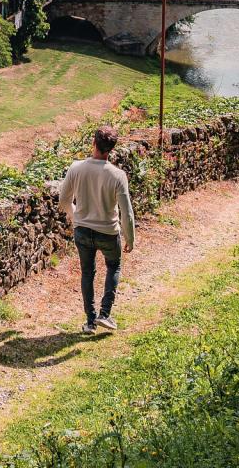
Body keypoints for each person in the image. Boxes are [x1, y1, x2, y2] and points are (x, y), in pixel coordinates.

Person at [58, 125, 135, 333]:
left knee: (87, 273)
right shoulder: (117, 175)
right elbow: (126, 212)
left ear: (93, 143)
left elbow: (63, 199)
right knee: (113, 266)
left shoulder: (76, 168)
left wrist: (77, 217)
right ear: (111, 149)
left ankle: (90, 322)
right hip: (108, 232)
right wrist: (130, 238)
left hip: (82, 230)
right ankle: (105, 314)